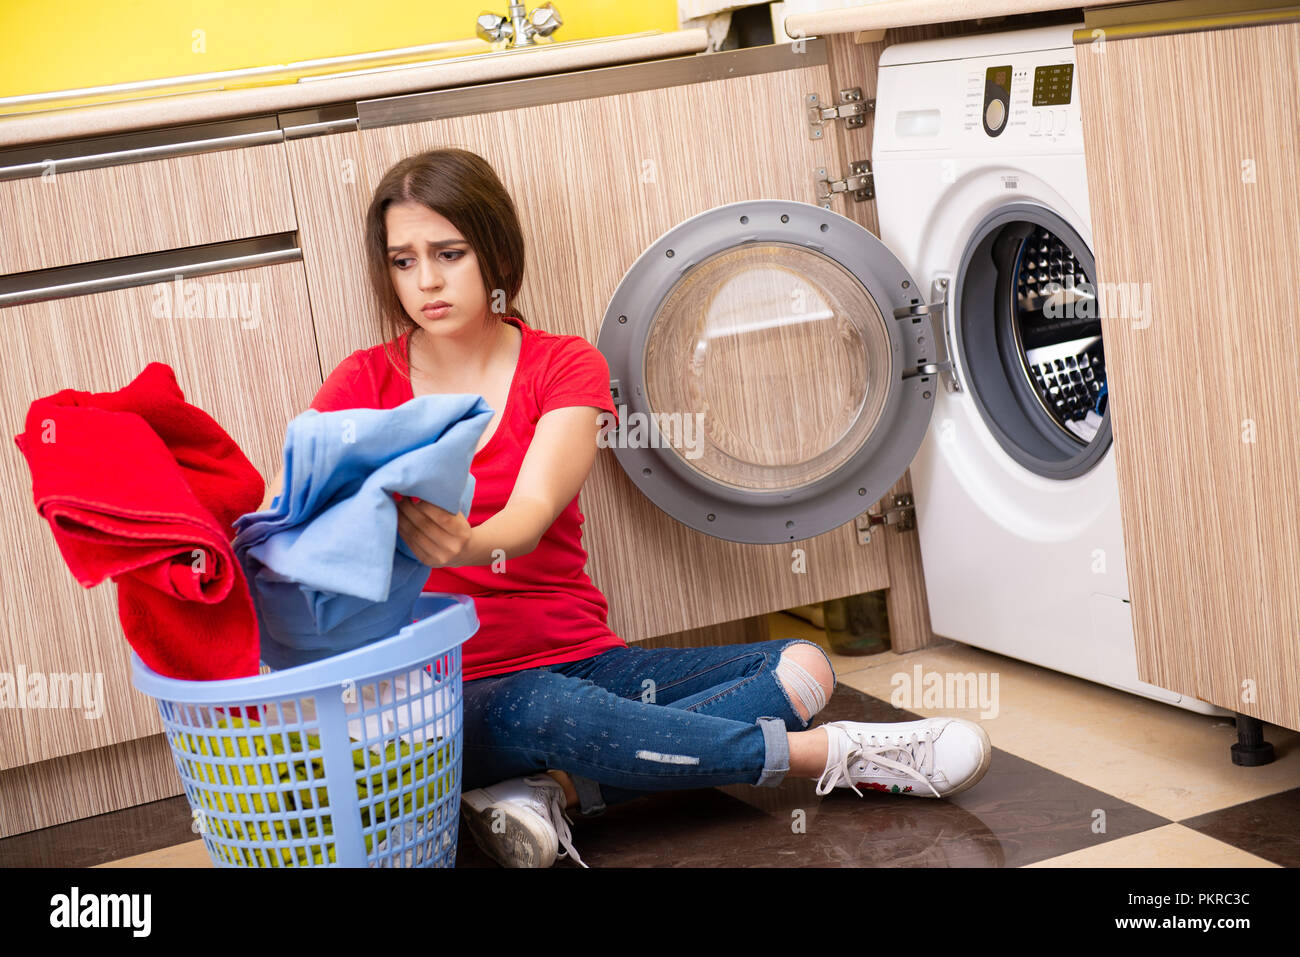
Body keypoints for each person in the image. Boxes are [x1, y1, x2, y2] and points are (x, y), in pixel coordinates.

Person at [261, 148, 992, 869]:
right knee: (544, 708)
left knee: (803, 666)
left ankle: (561, 786)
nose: (425, 280)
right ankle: (824, 755)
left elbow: (535, 509)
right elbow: (297, 511)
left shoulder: (563, 364)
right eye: (403, 261)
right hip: (441, 692)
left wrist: (469, 543)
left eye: (448, 253)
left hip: (585, 659)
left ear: (494, 250)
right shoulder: (363, 381)